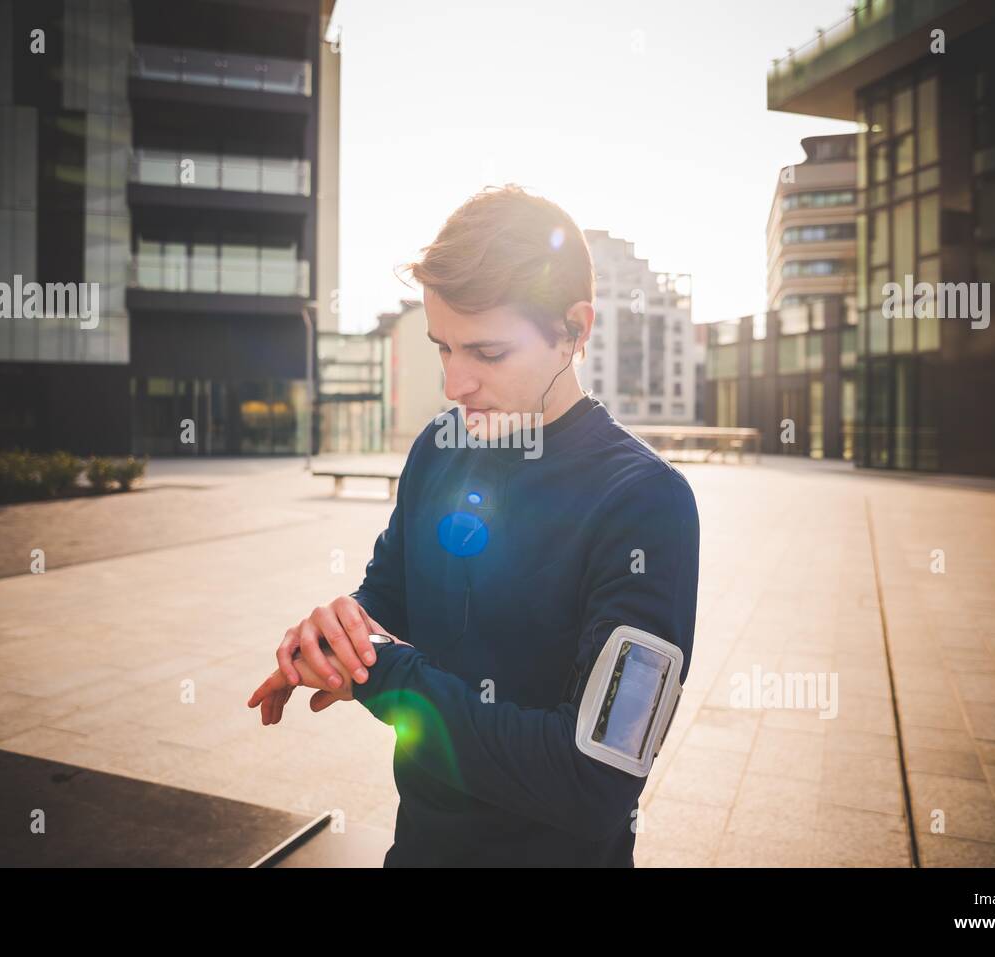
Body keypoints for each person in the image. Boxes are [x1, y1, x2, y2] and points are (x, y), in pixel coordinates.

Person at [247, 184, 700, 866]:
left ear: (575, 328)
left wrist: (387, 674)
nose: (455, 383)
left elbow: (596, 779)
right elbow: (389, 599)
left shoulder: (646, 504)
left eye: (487, 354)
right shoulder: (439, 448)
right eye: (443, 348)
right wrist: (341, 634)